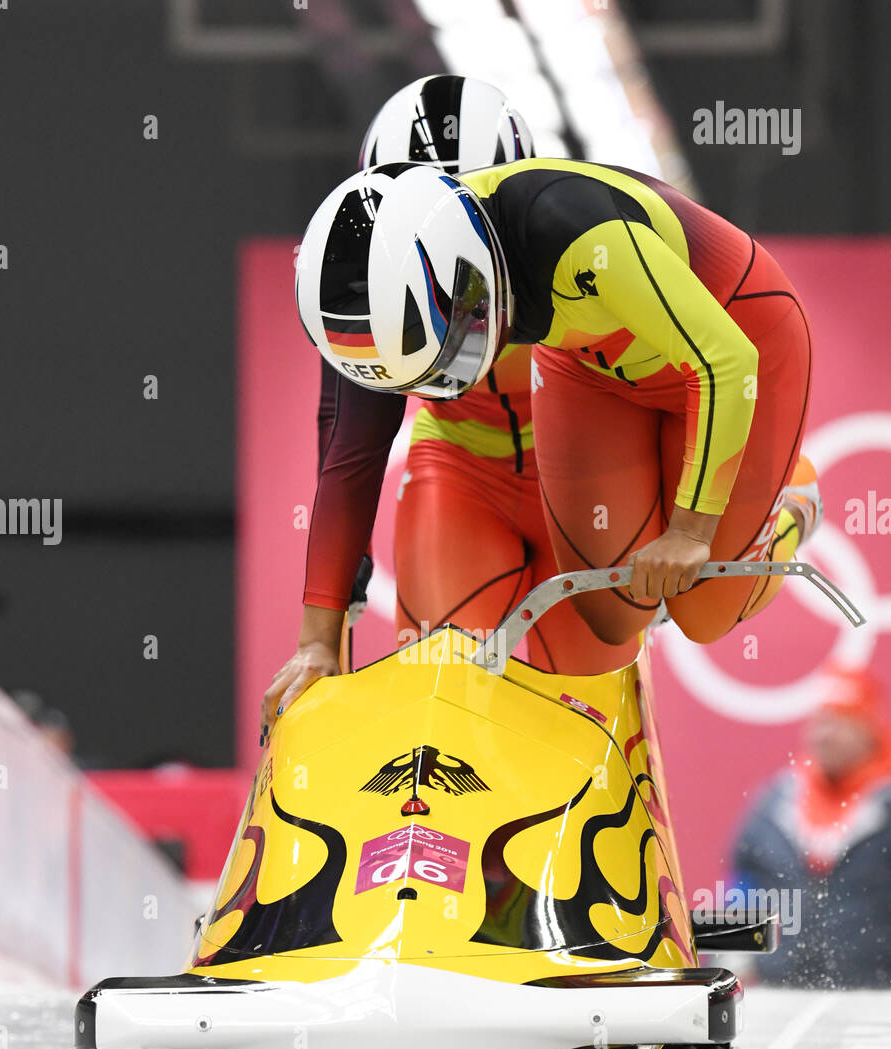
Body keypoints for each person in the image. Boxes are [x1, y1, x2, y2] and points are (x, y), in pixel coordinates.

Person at [280, 154, 822, 732]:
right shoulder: (364, 319)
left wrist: (692, 530)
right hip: (593, 363)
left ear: (469, 276)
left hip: (740, 339)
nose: (447, 390)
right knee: (611, 615)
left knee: (705, 609)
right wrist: (316, 642)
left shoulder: (576, 233)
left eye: (450, 358)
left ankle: (795, 502)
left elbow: (724, 360)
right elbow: (350, 465)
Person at [262, 77, 642, 743]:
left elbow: (687, 374)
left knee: (593, 721)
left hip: (583, 489)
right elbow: (349, 451)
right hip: (462, 481)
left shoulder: (581, 239)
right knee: (442, 706)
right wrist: (316, 639)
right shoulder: (362, 271)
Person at [731, 667, 891, 988]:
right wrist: (731, 960)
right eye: (820, 722)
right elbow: (743, 887)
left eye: (840, 723)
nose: (825, 735)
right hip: (780, 992)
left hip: (879, 1001)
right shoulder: (775, 806)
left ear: (868, 730)